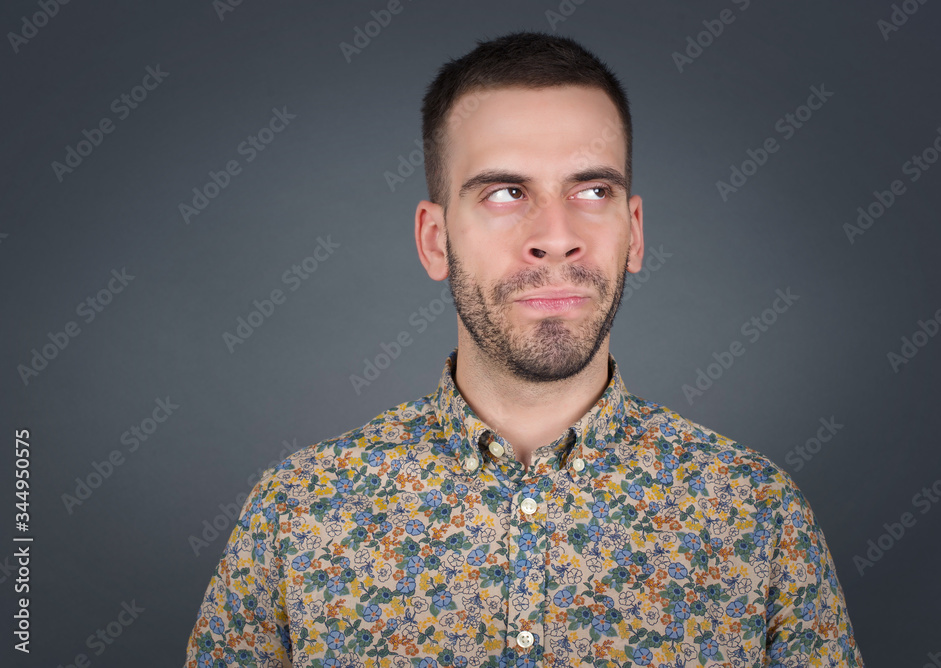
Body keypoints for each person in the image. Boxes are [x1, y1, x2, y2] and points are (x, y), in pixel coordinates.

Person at [185, 30, 864, 668]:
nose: (556, 237)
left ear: (634, 232)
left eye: (592, 190)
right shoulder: (299, 510)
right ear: (434, 240)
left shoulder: (756, 511)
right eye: (507, 193)